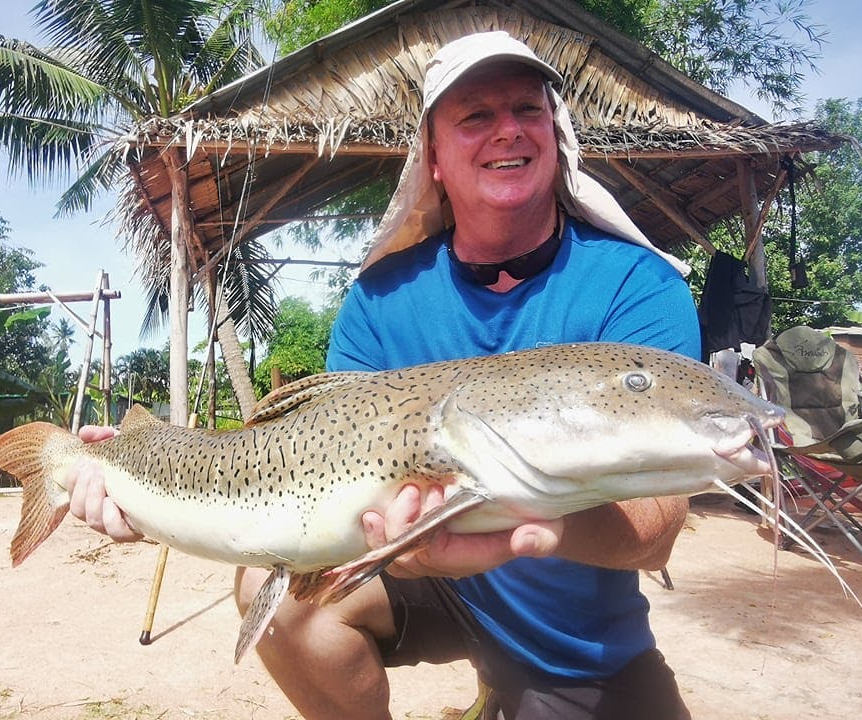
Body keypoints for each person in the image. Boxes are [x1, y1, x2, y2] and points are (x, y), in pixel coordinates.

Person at [66, 31, 698, 720]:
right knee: (274, 600)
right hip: (428, 583)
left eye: (528, 108)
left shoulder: (638, 286)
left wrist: (507, 513)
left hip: (576, 648)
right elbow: (319, 475)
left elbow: (654, 529)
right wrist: (143, 492)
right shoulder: (381, 298)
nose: (508, 130)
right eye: (475, 116)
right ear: (431, 156)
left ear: (556, 131)